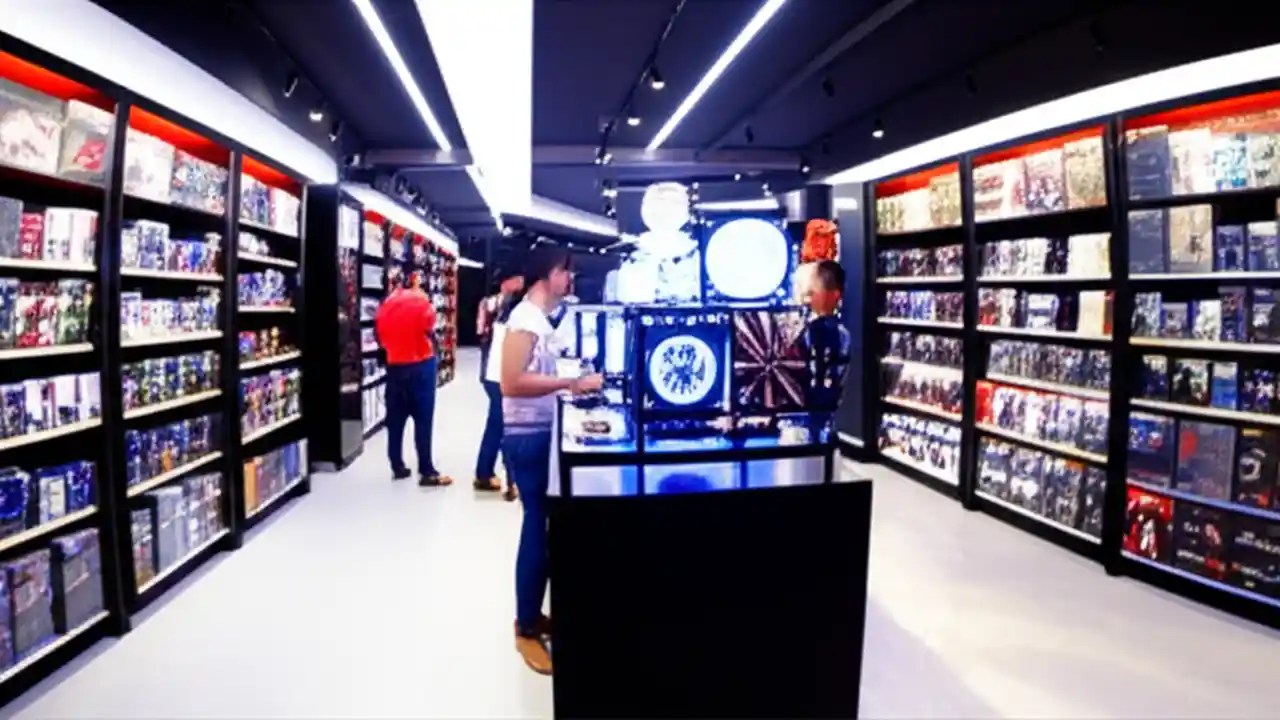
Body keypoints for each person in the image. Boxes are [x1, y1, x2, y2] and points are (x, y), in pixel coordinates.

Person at [500, 246, 602, 675]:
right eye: (565, 271)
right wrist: (570, 384)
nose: (570, 279)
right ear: (546, 274)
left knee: (541, 526)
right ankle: (525, 626)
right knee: (536, 528)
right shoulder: (525, 319)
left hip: (538, 431)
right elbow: (511, 382)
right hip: (528, 435)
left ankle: (532, 614)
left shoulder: (537, 319)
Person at [375, 274, 451, 486]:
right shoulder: (422, 300)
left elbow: (379, 336)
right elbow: (429, 325)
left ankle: (397, 465)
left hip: (395, 365)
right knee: (423, 419)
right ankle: (426, 470)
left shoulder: (386, 304)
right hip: (421, 364)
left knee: (395, 420)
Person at [474, 270, 523, 500]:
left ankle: (485, 473)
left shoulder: (501, 312)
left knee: (496, 425)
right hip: (500, 376)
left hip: (494, 375)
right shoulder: (502, 311)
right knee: (506, 427)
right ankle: (511, 481)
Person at [805, 259, 852, 412]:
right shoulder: (810, 327)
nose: (809, 295)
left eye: (814, 290)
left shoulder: (835, 332)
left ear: (834, 295)